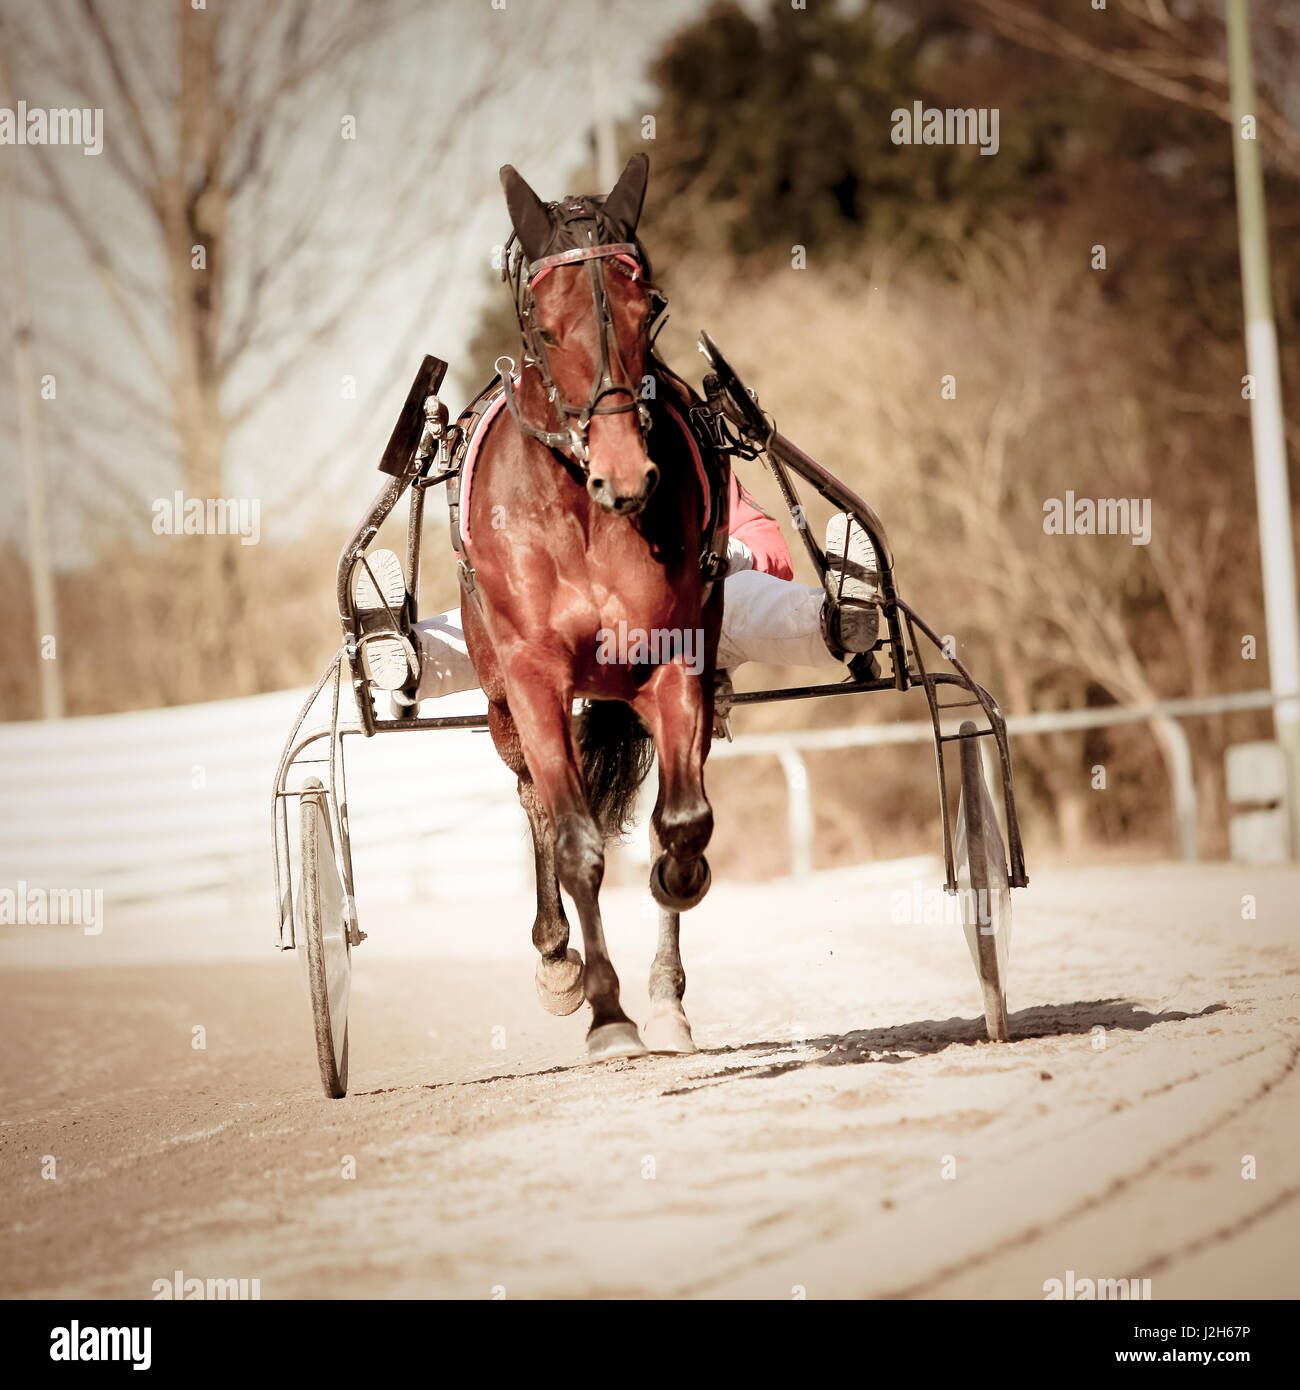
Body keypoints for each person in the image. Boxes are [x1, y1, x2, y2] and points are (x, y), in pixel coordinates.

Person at [351, 469, 881, 704]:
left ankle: (839, 622)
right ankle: (407, 657)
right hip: (580, 633)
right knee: (509, 626)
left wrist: (728, 554)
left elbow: (771, 550)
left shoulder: (695, 467)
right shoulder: (544, 482)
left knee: (738, 603)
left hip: (682, 634)